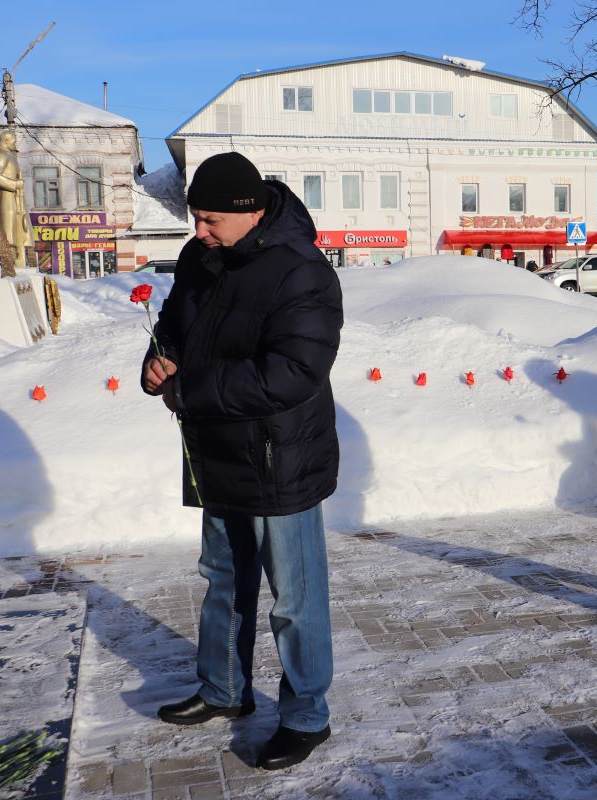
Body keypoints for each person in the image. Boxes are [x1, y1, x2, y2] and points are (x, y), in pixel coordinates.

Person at [141, 152, 343, 771]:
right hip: (217, 451)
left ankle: (306, 717)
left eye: (209, 220)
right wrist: (158, 362)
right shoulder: (201, 259)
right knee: (222, 579)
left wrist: (190, 390)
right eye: (195, 218)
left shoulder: (302, 272)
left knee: (294, 597)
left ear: (249, 212)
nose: (199, 231)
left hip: (279, 459)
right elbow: (175, 326)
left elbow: (293, 373)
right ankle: (225, 692)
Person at [0, 128, 31, 272]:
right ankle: (10, 258)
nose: (15, 144)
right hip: (6, 196)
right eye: (13, 141)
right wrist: (15, 184)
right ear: (6, 141)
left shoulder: (7, 154)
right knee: (9, 228)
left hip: (12, 197)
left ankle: (16, 258)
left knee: (17, 227)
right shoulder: (1, 154)